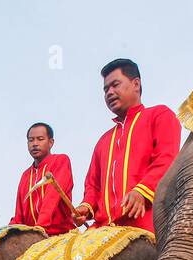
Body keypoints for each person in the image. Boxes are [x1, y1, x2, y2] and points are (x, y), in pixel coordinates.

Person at [74, 59, 180, 234]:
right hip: (102, 229)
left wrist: (141, 191)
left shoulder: (159, 115)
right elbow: (93, 186)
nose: (109, 92)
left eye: (115, 85)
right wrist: (86, 207)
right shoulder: (103, 141)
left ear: (136, 84)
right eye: (106, 89)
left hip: (145, 223)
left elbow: (167, 159)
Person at [11, 122, 75, 235]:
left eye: (40, 139)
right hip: (31, 237)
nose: (35, 144)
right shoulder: (25, 175)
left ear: (51, 142)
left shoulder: (60, 161)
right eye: (31, 140)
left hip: (60, 234)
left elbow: (52, 197)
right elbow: (19, 216)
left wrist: (40, 227)